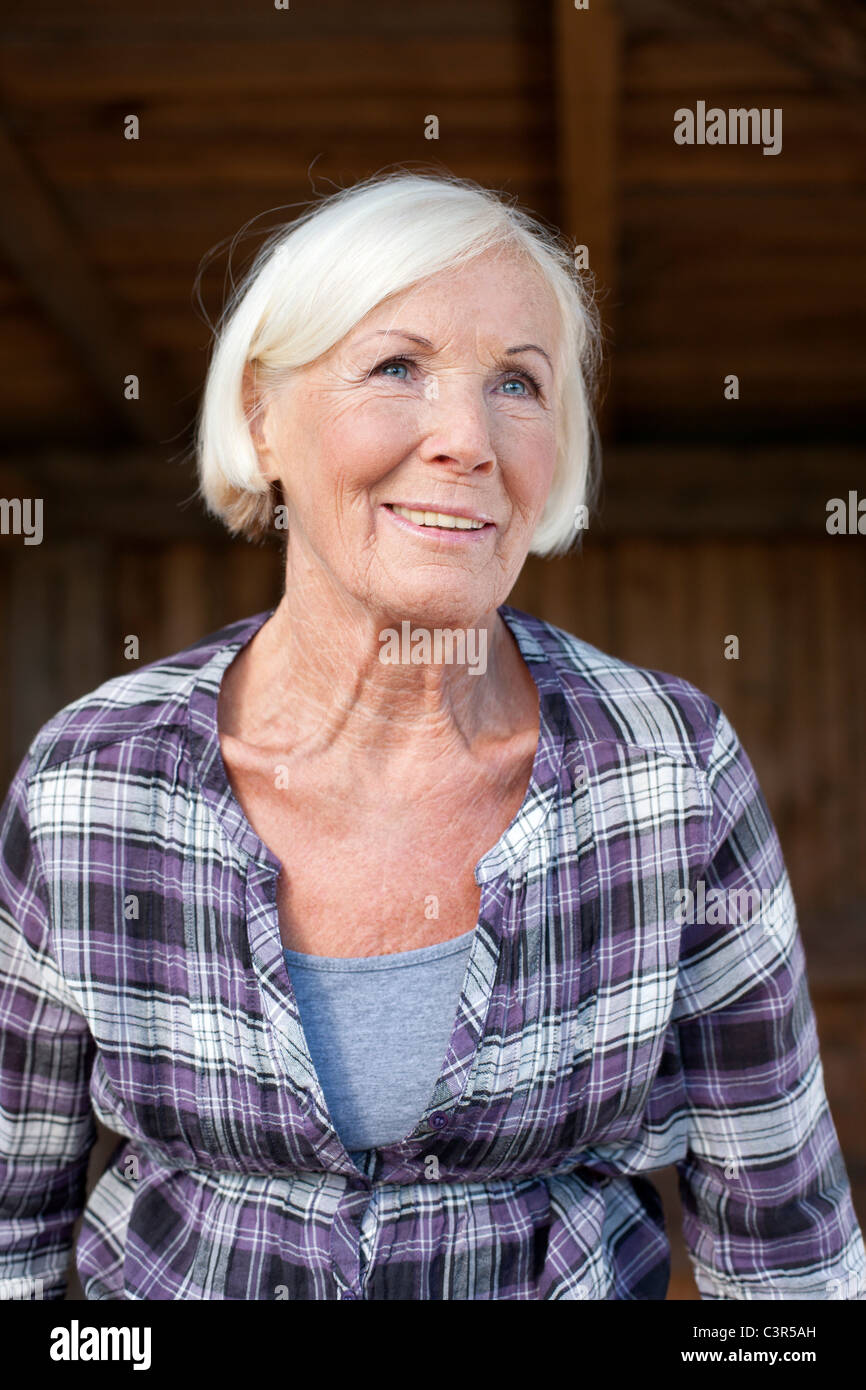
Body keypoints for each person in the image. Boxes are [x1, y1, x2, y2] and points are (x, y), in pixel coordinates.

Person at [0, 171, 863, 1301]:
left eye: (517, 382)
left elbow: (784, 1258)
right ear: (262, 416)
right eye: (396, 366)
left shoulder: (668, 770)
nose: (465, 438)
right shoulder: (91, 780)